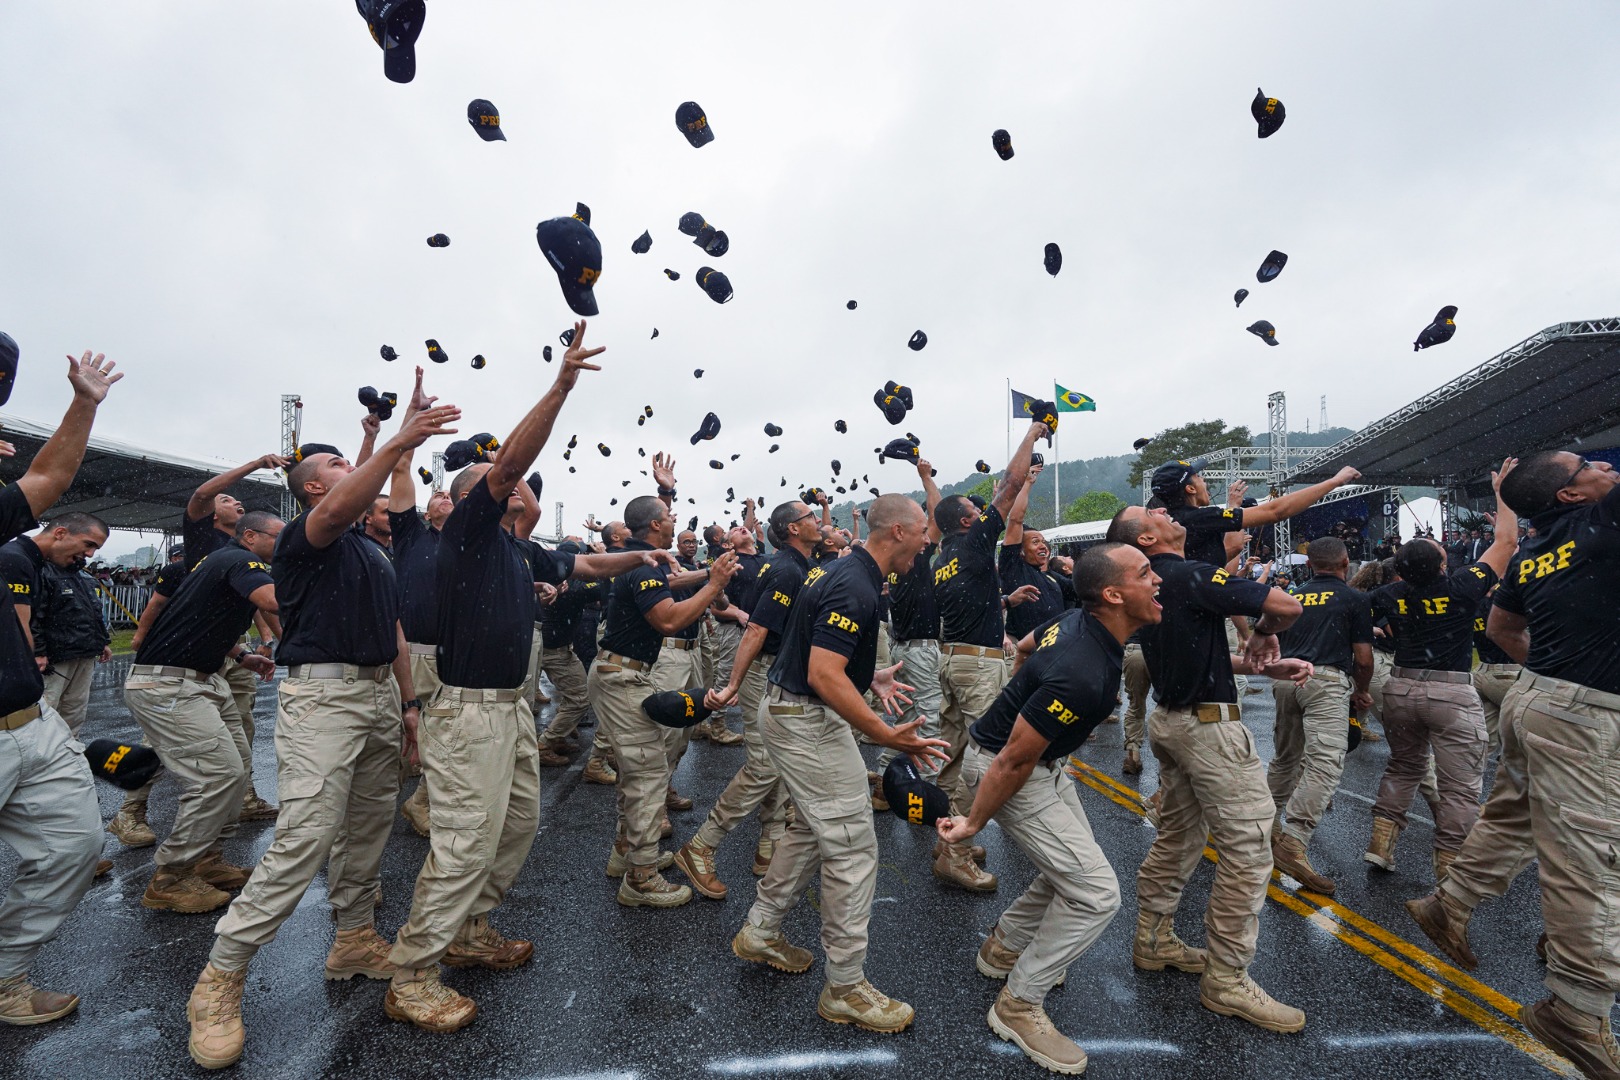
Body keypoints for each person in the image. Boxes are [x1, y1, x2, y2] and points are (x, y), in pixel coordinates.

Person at [185, 398, 459, 1070]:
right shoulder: (306, 537)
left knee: (368, 827)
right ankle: (221, 976)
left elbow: (394, 631)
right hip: (324, 698)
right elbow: (341, 505)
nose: (351, 469)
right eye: (337, 464)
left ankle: (355, 940)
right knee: (306, 836)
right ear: (312, 488)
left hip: (376, 693)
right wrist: (396, 442)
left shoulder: (369, 549)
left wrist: (409, 705)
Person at [386, 322, 641, 1030]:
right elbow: (505, 467)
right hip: (468, 712)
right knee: (465, 842)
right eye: (510, 483)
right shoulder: (468, 537)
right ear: (486, 498)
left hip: (511, 709)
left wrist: (645, 558)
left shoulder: (517, 553)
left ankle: (470, 930)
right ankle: (412, 973)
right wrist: (560, 387)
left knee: (519, 825)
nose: (523, 485)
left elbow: (585, 563)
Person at [1413, 451, 1620, 1077]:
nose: (1603, 464)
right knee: (1590, 861)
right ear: (1571, 496)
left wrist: (1559, 670)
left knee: (1514, 818)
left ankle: (1450, 902)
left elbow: (1502, 626)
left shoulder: (1537, 549)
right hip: (1579, 712)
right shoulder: (1603, 521)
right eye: (1586, 464)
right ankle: (1577, 1008)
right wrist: (1579, 678)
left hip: (1537, 698)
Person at [937, 542, 1160, 1074]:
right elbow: (1012, 759)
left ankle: (1003, 948)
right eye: (1147, 572)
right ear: (1113, 595)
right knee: (1097, 893)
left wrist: (1023, 689)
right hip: (1011, 771)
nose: (1158, 581)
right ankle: (1018, 1003)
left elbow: (1026, 646)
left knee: (1071, 870)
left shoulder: (1079, 619)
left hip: (1037, 763)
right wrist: (972, 823)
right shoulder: (1080, 671)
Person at [730, 494, 948, 1034]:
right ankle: (845, 987)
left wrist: (867, 677)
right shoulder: (855, 582)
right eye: (922, 532)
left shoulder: (844, 570)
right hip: (806, 718)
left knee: (811, 828)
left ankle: (761, 930)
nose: (927, 542)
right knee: (852, 847)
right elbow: (823, 673)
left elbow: (818, 654)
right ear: (898, 532)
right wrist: (885, 734)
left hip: (799, 711)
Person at [1104, 503, 1313, 1033]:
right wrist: (1264, 631)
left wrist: (1259, 666)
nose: (1165, 511)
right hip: (1209, 731)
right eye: (1152, 512)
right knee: (1249, 849)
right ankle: (1227, 979)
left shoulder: (1152, 585)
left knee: (1178, 838)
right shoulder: (1187, 574)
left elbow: (1189, 654)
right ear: (1146, 538)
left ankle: (1154, 939)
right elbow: (1285, 605)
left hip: (1172, 720)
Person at [0, 350, 123, 1026]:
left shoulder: (14, 541)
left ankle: (4, 975)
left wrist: (84, 403)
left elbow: (46, 476)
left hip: (28, 719)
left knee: (75, 848)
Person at [587, 465, 738, 909]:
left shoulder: (639, 559)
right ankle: (641, 877)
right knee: (649, 773)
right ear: (655, 526)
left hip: (621, 672)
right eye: (669, 517)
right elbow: (669, 619)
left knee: (639, 769)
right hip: (622, 678)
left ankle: (626, 852)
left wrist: (706, 573)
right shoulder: (644, 567)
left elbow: (669, 582)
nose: (674, 521)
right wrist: (714, 584)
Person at [1364, 464, 1517, 883]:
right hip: (1450, 693)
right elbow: (1506, 542)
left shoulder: (1389, 593)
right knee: (1460, 785)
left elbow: (1357, 624)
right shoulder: (1463, 586)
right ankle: (1449, 869)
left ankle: (1381, 844)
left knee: (1403, 767)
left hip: (1400, 686)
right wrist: (1502, 493)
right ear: (1443, 564)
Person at [124, 512, 283, 913]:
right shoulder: (239, 559)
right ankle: (170, 877)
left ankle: (207, 860)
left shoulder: (224, 563)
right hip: (169, 683)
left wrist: (242, 655)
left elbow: (201, 621)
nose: (283, 544)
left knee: (238, 769)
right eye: (278, 537)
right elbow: (273, 602)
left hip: (203, 680)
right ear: (251, 536)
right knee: (217, 775)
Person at [677, 501, 818, 898]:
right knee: (766, 763)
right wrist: (733, 684)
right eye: (809, 516)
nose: (816, 520)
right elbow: (756, 628)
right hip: (765, 670)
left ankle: (769, 842)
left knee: (777, 760)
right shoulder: (787, 569)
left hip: (780, 669)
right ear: (793, 529)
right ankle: (701, 845)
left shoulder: (792, 565)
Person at [931, 419, 1048, 892]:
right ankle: (956, 853)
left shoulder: (943, 557)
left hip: (950, 660)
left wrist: (1003, 600)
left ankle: (945, 835)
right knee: (983, 757)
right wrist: (1032, 434)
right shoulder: (975, 540)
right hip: (977, 665)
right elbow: (1009, 486)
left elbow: (967, 598)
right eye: (975, 512)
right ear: (966, 522)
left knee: (954, 753)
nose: (983, 514)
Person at [1264, 536, 1374, 894]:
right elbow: (1363, 658)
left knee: (1285, 759)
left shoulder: (1292, 596)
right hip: (1326, 680)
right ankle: (1293, 841)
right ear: (1345, 563)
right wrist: (1361, 690)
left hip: (1287, 678)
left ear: (1310, 565)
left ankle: (1263, 828)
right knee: (1325, 763)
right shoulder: (1354, 599)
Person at [0, 514, 111, 737]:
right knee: (41, 716)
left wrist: (101, 640)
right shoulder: (16, 559)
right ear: (60, 533)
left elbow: (91, 609)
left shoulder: (75, 573)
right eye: (88, 544)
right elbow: (22, 623)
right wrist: (35, 656)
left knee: (73, 711)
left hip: (81, 650)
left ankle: (65, 753)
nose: (90, 554)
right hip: (52, 657)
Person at [876, 457, 947, 785]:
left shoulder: (895, 563)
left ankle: (883, 780)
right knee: (927, 717)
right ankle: (928, 789)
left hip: (904, 648)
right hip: (917, 650)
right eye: (920, 533)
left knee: (907, 716)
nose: (926, 538)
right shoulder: (913, 560)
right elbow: (937, 517)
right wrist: (926, 478)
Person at [998, 465, 1063, 646]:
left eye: (1043, 541)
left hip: (1055, 651)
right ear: (1020, 551)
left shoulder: (1051, 578)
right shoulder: (1014, 569)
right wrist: (1026, 484)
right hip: (1028, 652)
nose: (1042, 545)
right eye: (1035, 542)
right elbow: (1016, 520)